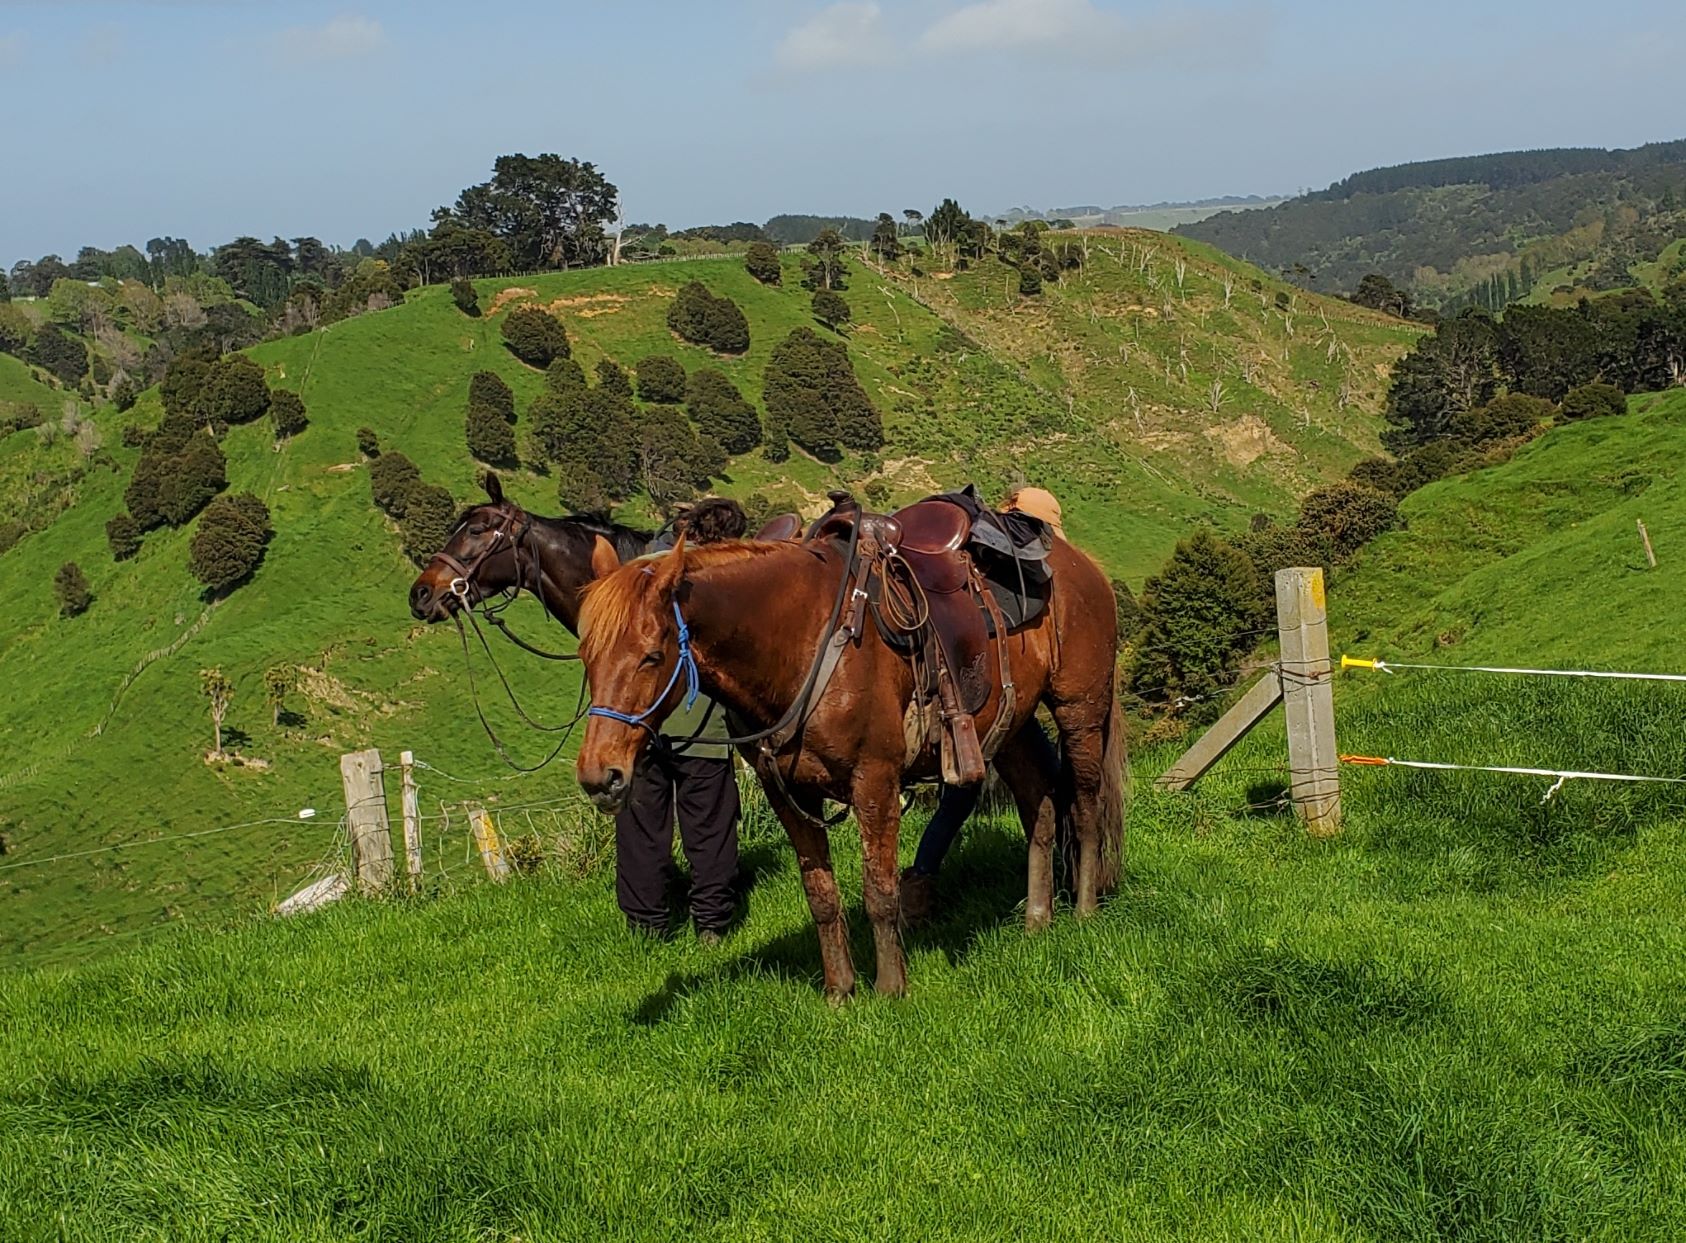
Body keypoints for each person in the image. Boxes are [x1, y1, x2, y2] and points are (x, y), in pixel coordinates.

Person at [901, 483, 1066, 923]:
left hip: (980, 699)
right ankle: (1062, 866)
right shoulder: (997, 575)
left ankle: (920, 879)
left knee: (958, 800)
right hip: (990, 701)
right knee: (1037, 779)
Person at [615, 498, 746, 943]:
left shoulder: (648, 574)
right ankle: (711, 923)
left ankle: (645, 924)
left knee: (641, 828)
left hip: (644, 720)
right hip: (702, 724)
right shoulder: (722, 583)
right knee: (709, 827)